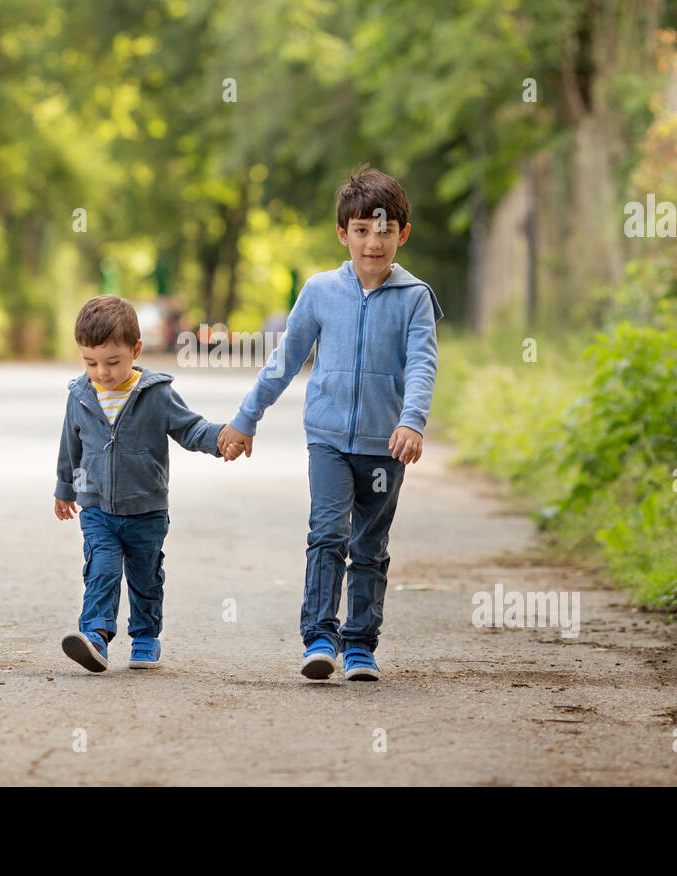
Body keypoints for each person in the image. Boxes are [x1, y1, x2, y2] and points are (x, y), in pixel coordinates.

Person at [217, 164, 443, 681]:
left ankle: (361, 645)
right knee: (326, 535)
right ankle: (320, 637)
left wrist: (412, 421)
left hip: (386, 445)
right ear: (343, 233)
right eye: (361, 231)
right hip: (328, 442)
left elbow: (424, 363)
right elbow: (284, 361)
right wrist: (246, 419)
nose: (373, 242)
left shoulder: (415, 299)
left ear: (402, 234)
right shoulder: (320, 291)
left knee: (369, 546)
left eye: (384, 230)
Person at [55, 294, 243, 672]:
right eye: (90, 362)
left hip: (146, 510)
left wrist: (222, 439)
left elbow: (190, 428)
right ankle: (95, 636)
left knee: (145, 578)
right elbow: (70, 445)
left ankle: (145, 638)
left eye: (113, 362)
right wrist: (65, 489)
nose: (102, 373)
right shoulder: (80, 395)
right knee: (101, 570)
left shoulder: (155, 394)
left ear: (135, 349)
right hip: (97, 509)